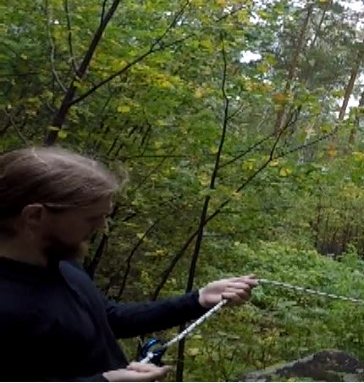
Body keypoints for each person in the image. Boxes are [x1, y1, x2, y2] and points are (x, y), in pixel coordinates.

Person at [0, 146, 258, 382]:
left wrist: (197, 300)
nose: (102, 228)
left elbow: (109, 318)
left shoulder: (60, 263)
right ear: (34, 216)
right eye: (92, 219)